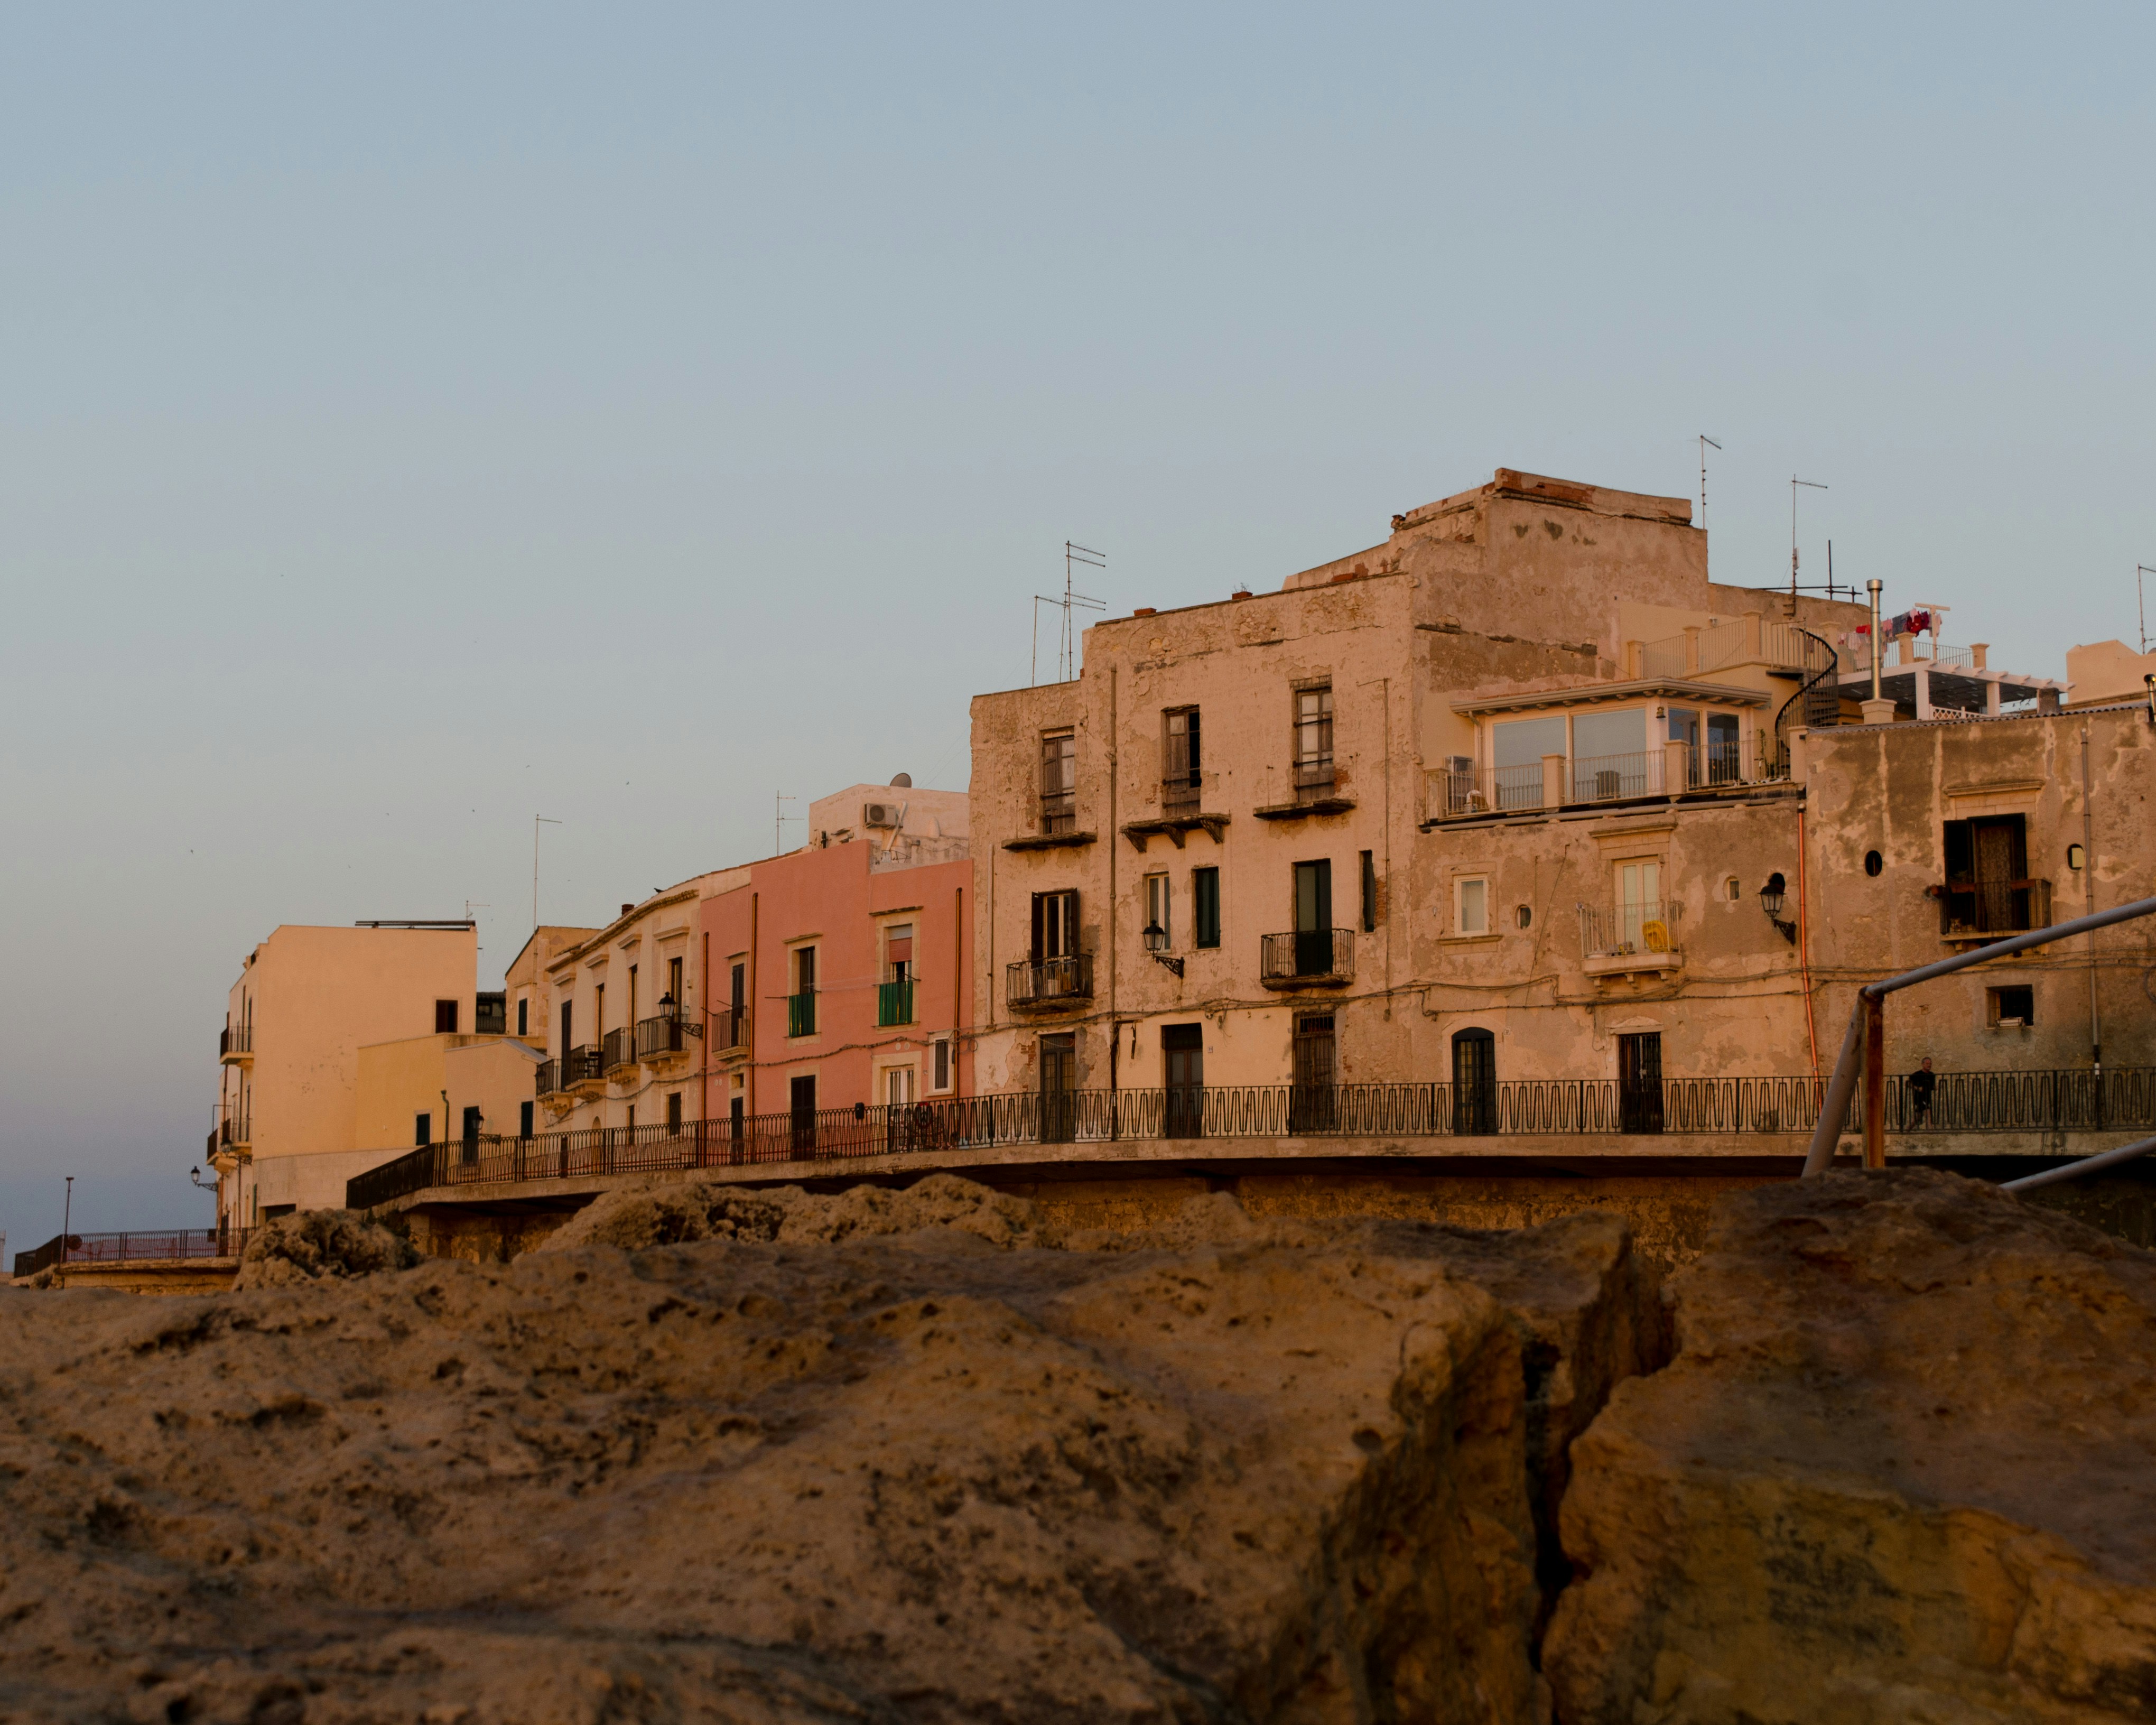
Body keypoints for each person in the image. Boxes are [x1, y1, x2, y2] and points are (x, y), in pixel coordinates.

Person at [1908, 1056, 1937, 1128]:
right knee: (1928, 1110)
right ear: (1923, 1064)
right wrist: (1918, 1088)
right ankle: (1930, 1128)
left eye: (1930, 1064)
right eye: (1927, 1064)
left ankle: (1906, 1129)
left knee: (1918, 1117)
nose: (1929, 1065)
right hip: (1919, 1098)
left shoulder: (1932, 1075)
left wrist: (1935, 1088)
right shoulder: (1917, 1074)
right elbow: (1908, 1084)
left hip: (1927, 1098)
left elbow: (1932, 1086)